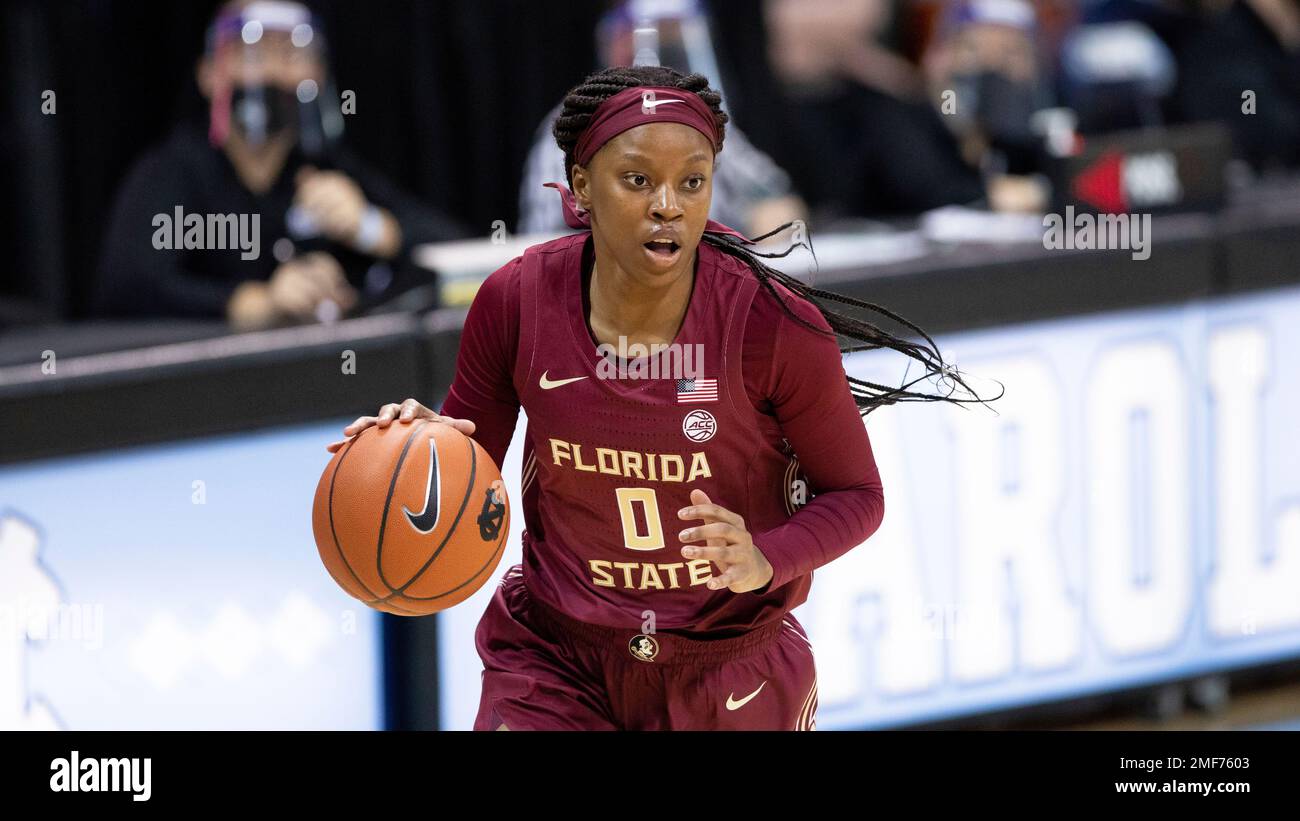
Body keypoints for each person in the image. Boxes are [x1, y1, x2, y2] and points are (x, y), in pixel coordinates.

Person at [330, 65, 985, 731]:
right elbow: (467, 465)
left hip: (726, 669)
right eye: (638, 180)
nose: (668, 204)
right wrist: (416, 445)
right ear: (580, 186)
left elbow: (858, 496)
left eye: (692, 182)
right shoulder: (516, 301)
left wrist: (765, 557)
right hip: (556, 656)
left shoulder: (772, 324)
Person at [94, 0, 466, 329]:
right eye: (253, 55)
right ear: (209, 73)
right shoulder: (175, 172)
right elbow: (128, 284)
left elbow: (462, 253)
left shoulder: (324, 169)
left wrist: (368, 227)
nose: (272, 73)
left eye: (292, 54)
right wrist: (257, 302)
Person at [517, 0, 805, 238]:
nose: (672, 61)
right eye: (663, 45)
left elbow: (773, 196)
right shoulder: (577, 123)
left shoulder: (703, 123)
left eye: (680, 45)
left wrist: (767, 222)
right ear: (619, 47)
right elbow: (558, 240)